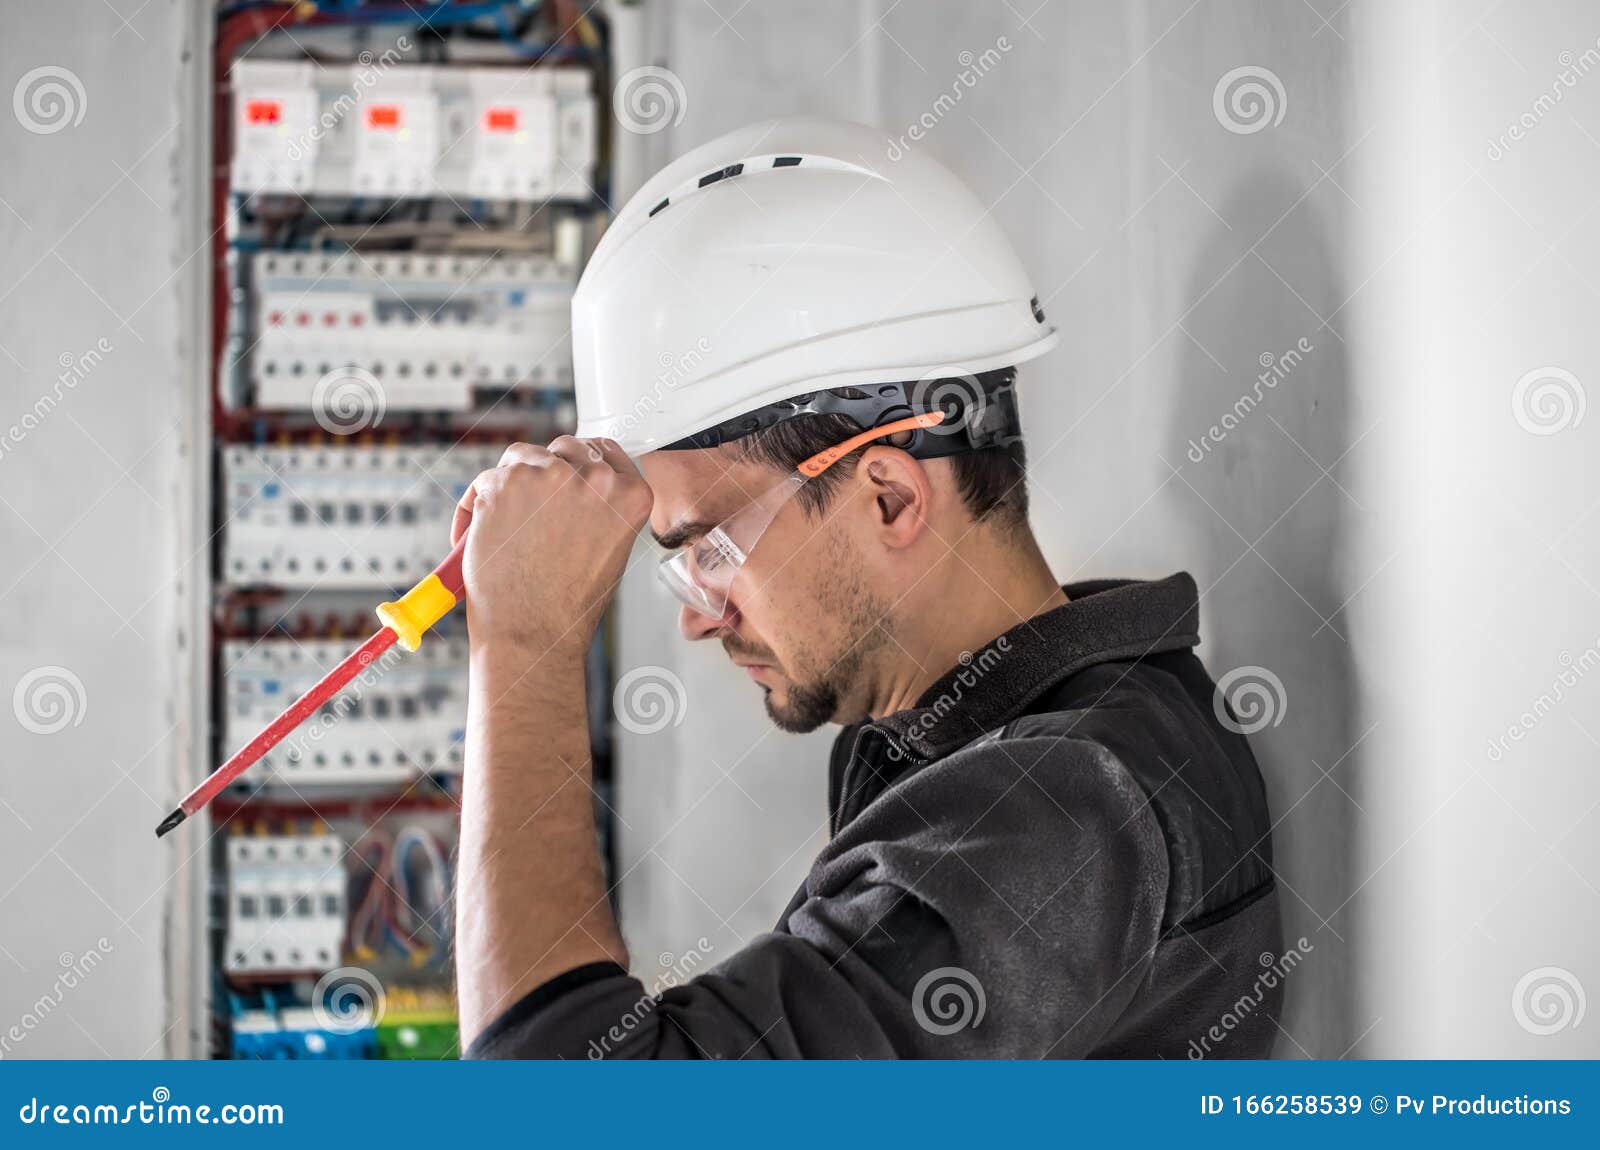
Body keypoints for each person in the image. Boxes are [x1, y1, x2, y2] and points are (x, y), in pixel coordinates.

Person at [451, 118, 1282, 1058]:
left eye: (712, 546)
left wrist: (526, 646)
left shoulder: (1070, 815)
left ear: (888, 496)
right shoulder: (970, 740)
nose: (695, 614)